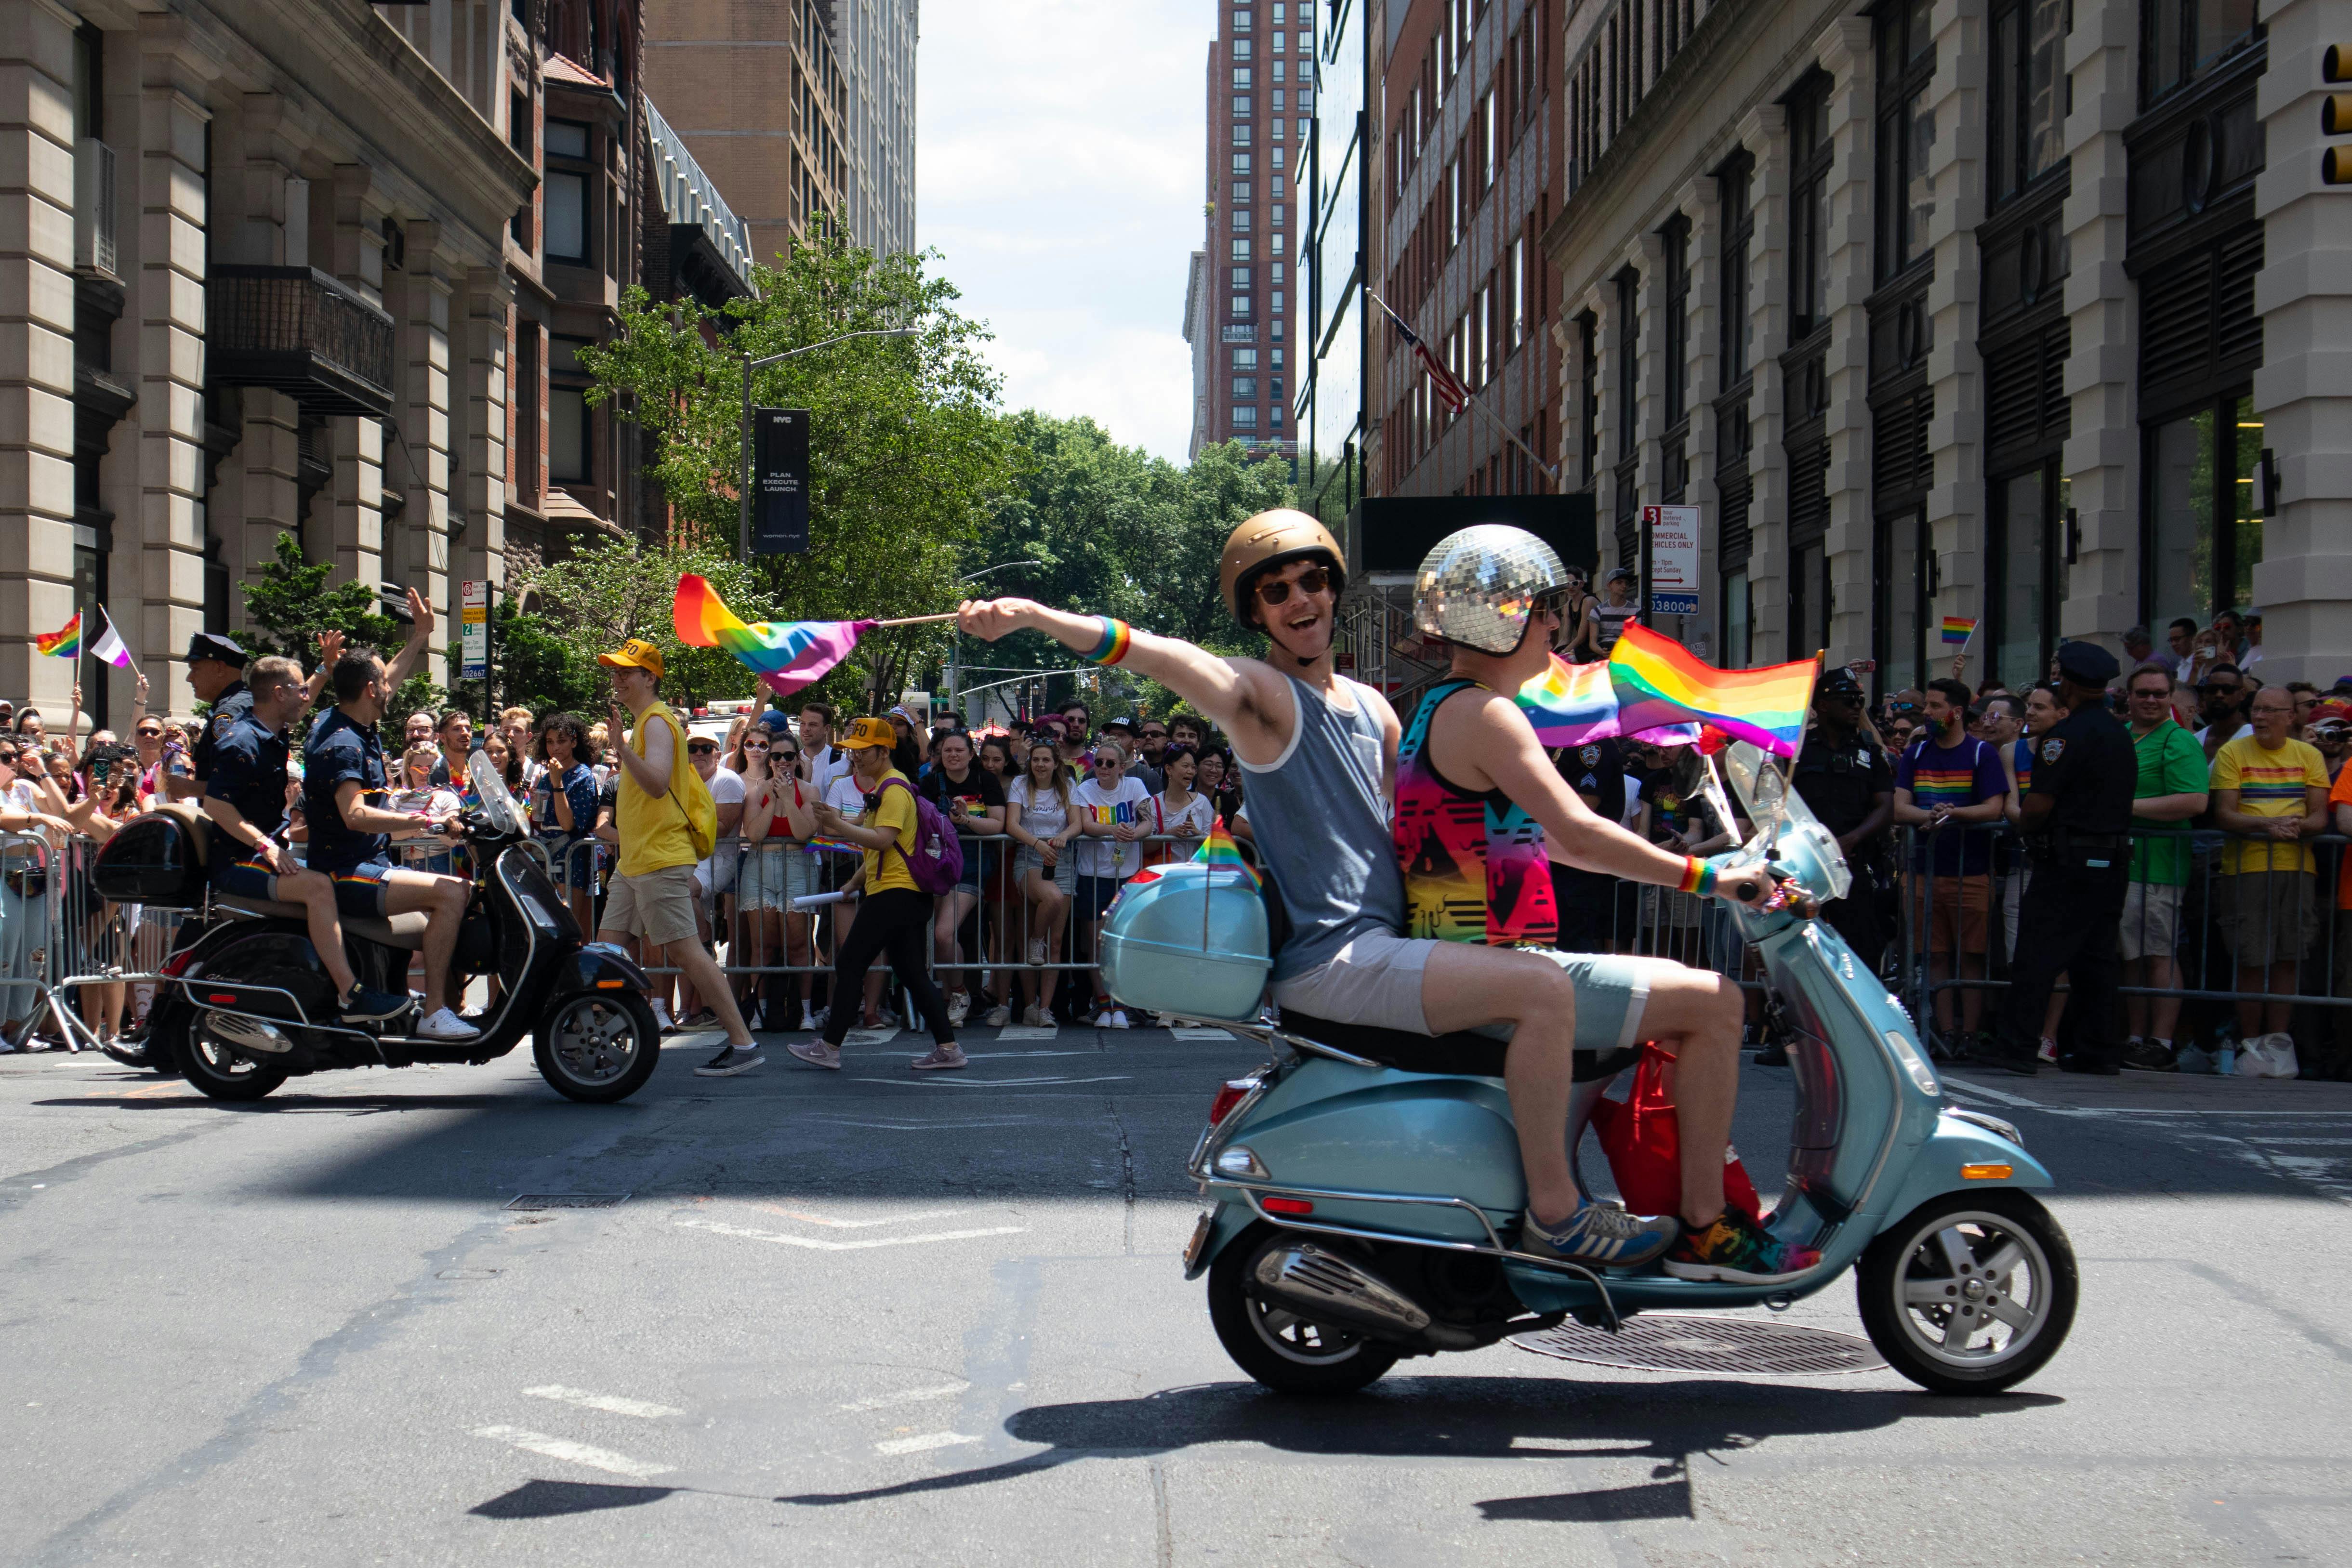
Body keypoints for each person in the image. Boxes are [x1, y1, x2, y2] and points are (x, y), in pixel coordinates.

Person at [962, 515, 1788, 1280]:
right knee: (1540, 992)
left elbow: (1431, 825)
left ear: (1333, 588)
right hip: (1338, 959)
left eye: (1311, 582)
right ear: (1256, 611)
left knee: (1680, 998)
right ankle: (1558, 1214)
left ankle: (1691, 1220)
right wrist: (1035, 615)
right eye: (1275, 590)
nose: (1299, 601)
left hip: (1400, 947)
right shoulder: (1262, 701)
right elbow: (1159, 655)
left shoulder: (1370, 708)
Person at [302, 596, 481, 1041]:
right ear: (369, 689)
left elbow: (387, 676)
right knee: (453, 894)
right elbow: (355, 815)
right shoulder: (344, 744)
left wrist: (421, 634)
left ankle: (407, 1000)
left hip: (369, 866)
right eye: (382, 683)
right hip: (346, 873)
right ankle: (437, 1012)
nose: (390, 687)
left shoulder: (346, 721)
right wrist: (425, 823)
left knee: (445, 906)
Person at [203, 656, 409, 1023]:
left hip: (264, 855)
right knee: (318, 888)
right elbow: (216, 806)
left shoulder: (272, 729)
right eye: (300, 689)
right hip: (236, 863)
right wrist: (264, 845)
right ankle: (351, 994)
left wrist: (328, 668)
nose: (307, 696)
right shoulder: (242, 740)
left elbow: (366, 689)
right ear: (279, 694)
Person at [594, 639, 760, 1076]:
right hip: (636, 860)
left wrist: (622, 749)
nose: (617, 677)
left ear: (649, 677)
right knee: (606, 948)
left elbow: (655, 784)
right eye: (615, 669)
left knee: (688, 952)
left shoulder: (655, 722)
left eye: (626, 671)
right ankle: (591, 1040)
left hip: (659, 859)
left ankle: (743, 1044)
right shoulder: (646, 723)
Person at [1979, 643, 2140, 1074]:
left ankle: (2017, 1045)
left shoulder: (2063, 738)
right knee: (2097, 958)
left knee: (2037, 952)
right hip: (2112, 858)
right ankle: (2098, 1049)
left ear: (2067, 683)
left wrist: (2023, 822)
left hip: (2068, 859)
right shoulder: (2120, 735)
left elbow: (2040, 804)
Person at [789, 717, 965, 1072]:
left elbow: (884, 840)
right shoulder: (888, 788)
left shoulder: (894, 790)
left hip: (894, 896)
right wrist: (855, 883)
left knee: (852, 962)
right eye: (852, 751)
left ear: (884, 752)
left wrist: (838, 825)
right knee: (912, 973)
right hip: (900, 895)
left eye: (862, 751)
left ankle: (830, 1046)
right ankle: (949, 1048)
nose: (855, 758)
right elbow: (883, 850)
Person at [2209, 685, 2329, 1064]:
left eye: (2270, 710)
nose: (2259, 717)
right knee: (2250, 956)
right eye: (2256, 709)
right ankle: (2250, 1043)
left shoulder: (2310, 754)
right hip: (2248, 868)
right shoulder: (2233, 751)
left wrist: (2295, 827)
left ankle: (2278, 1043)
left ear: (2290, 716)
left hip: (2297, 867)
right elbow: (2225, 814)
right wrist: (2269, 825)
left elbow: (2319, 816)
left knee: (2288, 957)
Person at [1892, 677, 2011, 1055]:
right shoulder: (1917, 753)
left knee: (1972, 954)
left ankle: (1970, 1033)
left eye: (1935, 706)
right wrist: (1930, 816)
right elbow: (1898, 806)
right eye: (1927, 705)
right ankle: (1943, 1030)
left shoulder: (1981, 754)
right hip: (1923, 870)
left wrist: (1954, 813)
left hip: (1971, 871)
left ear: (1956, 713)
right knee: (1935, 953)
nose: (1926, 713)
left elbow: (1995, 808)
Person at [2117, 663, 2212, 1072]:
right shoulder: (2120, 737)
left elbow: (2194, 800)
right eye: (2144, 693)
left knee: (2158, 953)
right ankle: (2135, 1039)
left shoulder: (2179, 740)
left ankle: (2162, 1041)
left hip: (2159, 866)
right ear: (2129, 696)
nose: (2152, 700)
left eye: (2159, 693)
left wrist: (2125, 809)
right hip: (2123, 864)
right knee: (2131, 956)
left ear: (2171, 696)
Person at [1789, 668, 1894, 977]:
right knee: (1799, 951)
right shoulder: (1797, 752)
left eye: (1860, 701)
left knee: (1862, 953)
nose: (1856, 707)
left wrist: (1852, 840)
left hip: (1854, 867)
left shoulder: (1869, 752)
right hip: (1805, 870)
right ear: (1822, 705)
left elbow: (1885, 807)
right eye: (1848, 701)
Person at [921, 728, 1005, 1029]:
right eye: (947, 751)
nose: (953, 755)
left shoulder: (986, 781)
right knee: (938, 938)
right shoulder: (930, 783)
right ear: (940, 756)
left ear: (972, 754)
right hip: (937, 866)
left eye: (959, 750)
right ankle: (950, 995)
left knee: (944, 933)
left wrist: (967, 820)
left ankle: (959, 994)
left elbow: (998, 825)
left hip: (972, 866)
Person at [738, 729, 820, 1031]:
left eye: (789, 756)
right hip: (759, 868)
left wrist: (789, 797)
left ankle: (806, 1013)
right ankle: (760, 1013)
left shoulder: (810, 791)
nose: (783, 762)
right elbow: (756, 834)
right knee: (764, 944)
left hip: (798, 866)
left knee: (800, 943)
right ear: (769, 761)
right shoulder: (756, 792)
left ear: (797, 758)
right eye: (777, 756)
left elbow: (803, 833)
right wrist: (774, 800)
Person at [1071, 734, 1151, 1028]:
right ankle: (1104, 1004)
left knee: (1123, 942)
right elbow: (1087, 825)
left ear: (1122, 767)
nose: (1103, 768)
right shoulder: (1085, 789)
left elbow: (1148, 822)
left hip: (1127, 874)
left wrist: (1134, 834)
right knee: (1095, 942)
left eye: (1110, 763)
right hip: (1093, 874)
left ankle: (1121, 1004)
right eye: (1099, 763)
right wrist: (1113, 830)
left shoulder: (1135, 785)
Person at [1004, 738, 1079, 1026]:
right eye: (1036, 760)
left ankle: (1044, 1008)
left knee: (1057, 941)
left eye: (1046, 760)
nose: (1040, 765)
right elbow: (1012, 824)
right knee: (1052, 900)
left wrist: (1065, 836)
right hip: (1030, 859)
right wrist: (1038, 844)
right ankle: (1028, 1000)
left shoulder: (1068, 786)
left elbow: (1077, 823)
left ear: (1056, 763)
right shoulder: (1021, 785)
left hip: (1062, 859)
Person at [676, 730, 747, 1030]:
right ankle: (691, 1009)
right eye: (693, 749)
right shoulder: (680, 781)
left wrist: (678, 823)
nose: (700, 754)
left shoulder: (728, 780)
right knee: (681, 927)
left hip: (719, 858)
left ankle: (705, 948)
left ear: (719, 754)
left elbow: (721, 826)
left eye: (707, 748)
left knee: (682, 897)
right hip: (686, 856)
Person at [529, 712, 600, 932]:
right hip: (546, 855)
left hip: (572, 857)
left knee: (569, 927)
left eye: (561, 741)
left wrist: (557, 783)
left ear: (574, 741)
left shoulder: (583, 776)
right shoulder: (545, 775)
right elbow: (541, 821)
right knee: (546, 926)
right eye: (550, 742)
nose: (555, 748)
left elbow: (569, 824)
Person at [2165, 618, 2200, 685]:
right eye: (2171, 640)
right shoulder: (2180, 667)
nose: (2173, 644)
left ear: (2192, 638)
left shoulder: (2200, 663)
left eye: (2177, 639)